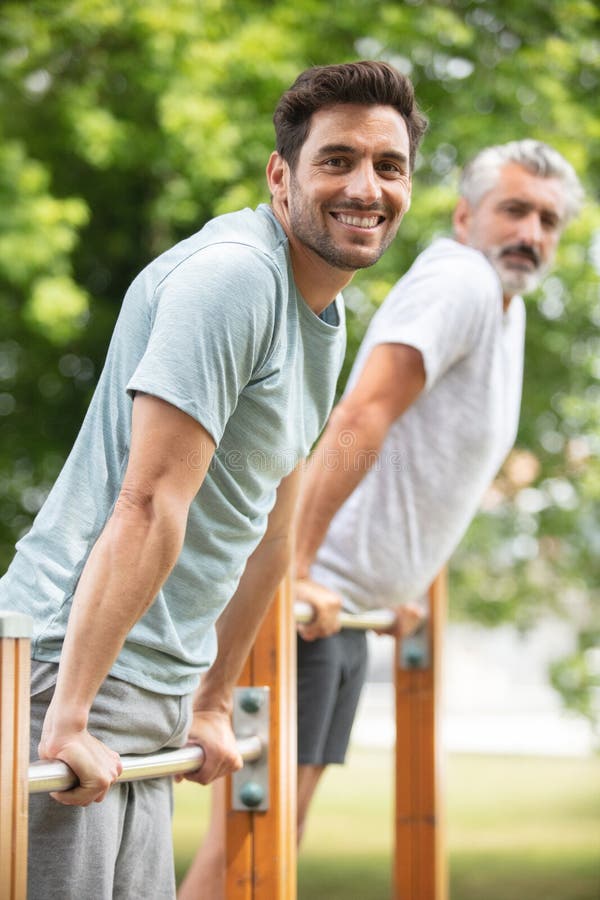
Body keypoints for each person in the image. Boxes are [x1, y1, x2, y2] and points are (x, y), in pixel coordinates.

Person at [0, 61, 426, 899]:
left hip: (152, 683)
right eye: (336, 160)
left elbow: (271, 526)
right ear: (282, 176)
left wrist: (212, 702)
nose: (366, 187)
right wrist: (69, 718)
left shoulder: (323, 313)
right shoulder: (235, 278)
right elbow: (151, 501)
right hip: (70, 665)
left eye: (389, 166)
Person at [180, 138, 583, 898]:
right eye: (515, 210)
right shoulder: (460, 280)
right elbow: (362, 416)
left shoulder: (506, 306)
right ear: (467, 216)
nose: (532, 232)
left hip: (350, 605)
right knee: (246, 853)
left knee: (277, 843)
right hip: (310, 602)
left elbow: (435, 469)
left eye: (548, 220)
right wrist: (293, 571)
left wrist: (401, 589)